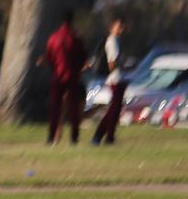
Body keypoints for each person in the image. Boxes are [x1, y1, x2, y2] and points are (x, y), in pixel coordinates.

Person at [44, 11, 88, 145]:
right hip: (73, 76)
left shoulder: (53, 38)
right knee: (74, 108)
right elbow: (83, 58)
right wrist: (77, 69)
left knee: (55, 108)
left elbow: (49, 58)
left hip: (57, 76)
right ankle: (74, 137)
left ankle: (51, 136)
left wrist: (54, 70)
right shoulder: (75, 38)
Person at [91, 18, 128, 146]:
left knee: (116, 110)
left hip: (120, 78)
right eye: (118, 27)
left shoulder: (117, 40)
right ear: (111, 28)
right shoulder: (112, 41)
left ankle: (108, 137)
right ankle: (100, 136)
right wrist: (121, 68)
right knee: (113, 110)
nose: (121, 29)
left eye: (122, 27)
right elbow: (112, 62)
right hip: (115, 79)